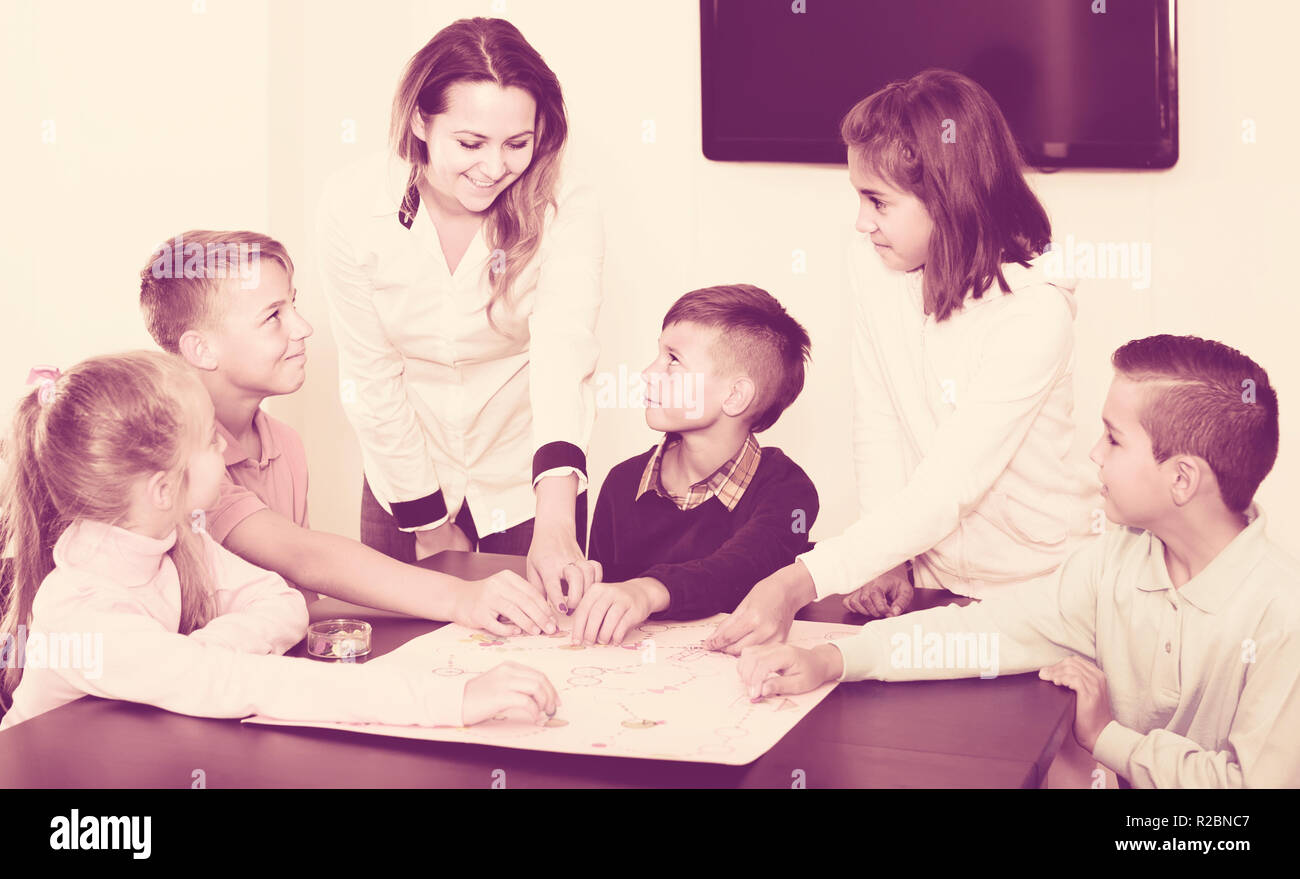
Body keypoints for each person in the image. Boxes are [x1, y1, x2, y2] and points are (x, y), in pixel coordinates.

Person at [738, 335, 1299, 788]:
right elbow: (985, 632)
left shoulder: (1283, 616)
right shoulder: (1113, 564)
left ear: (1181, 479)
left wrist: (1105, 736)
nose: (1093, 454)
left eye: (1113, 439)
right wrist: (834, 659)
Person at [708, 68, 1099, 654]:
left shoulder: (1035, 314)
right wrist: (889, 562)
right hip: (932, 582)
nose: (862, 222)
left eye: (877, 201)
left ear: (947, 198)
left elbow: (949, 487)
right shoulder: (871, 265)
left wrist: (799, 580)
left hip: (1037, 588)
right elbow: (881, 419)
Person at [0, 351, 558, 729]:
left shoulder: (177, 539)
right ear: (163, 488)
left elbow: (282, 601)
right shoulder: (84, 613)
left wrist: (196, 655)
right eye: (207, 440)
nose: (223, 447)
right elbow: (259, 685)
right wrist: (456, 700)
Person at [316, 17, 603, 614]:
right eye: (470, 143)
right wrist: (427, 524)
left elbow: (562, 352)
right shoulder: (350, 205)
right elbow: (371, 375)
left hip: (527, 476)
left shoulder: (566, 203)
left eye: (516, 143)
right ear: (421, 121)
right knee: (405, 666)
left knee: (540, 650)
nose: (495, 166)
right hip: (404, 471)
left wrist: (556, 523)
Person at [139, 229, 558, 636]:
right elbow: (303, 557)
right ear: (201, 349)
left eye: (293, 305)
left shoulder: (284, 444)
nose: (303, 327)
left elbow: (299, 595)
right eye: (273, 316)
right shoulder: (176, 461)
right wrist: (462, 598)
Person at [573, 284, 817, 644]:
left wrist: (647, 591)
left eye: (673, 360)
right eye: (658, 354)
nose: (648, 372)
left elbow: (740, 568)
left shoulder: (788, 491)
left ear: (734, 396)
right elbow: (605, 605)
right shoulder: (622, 483)